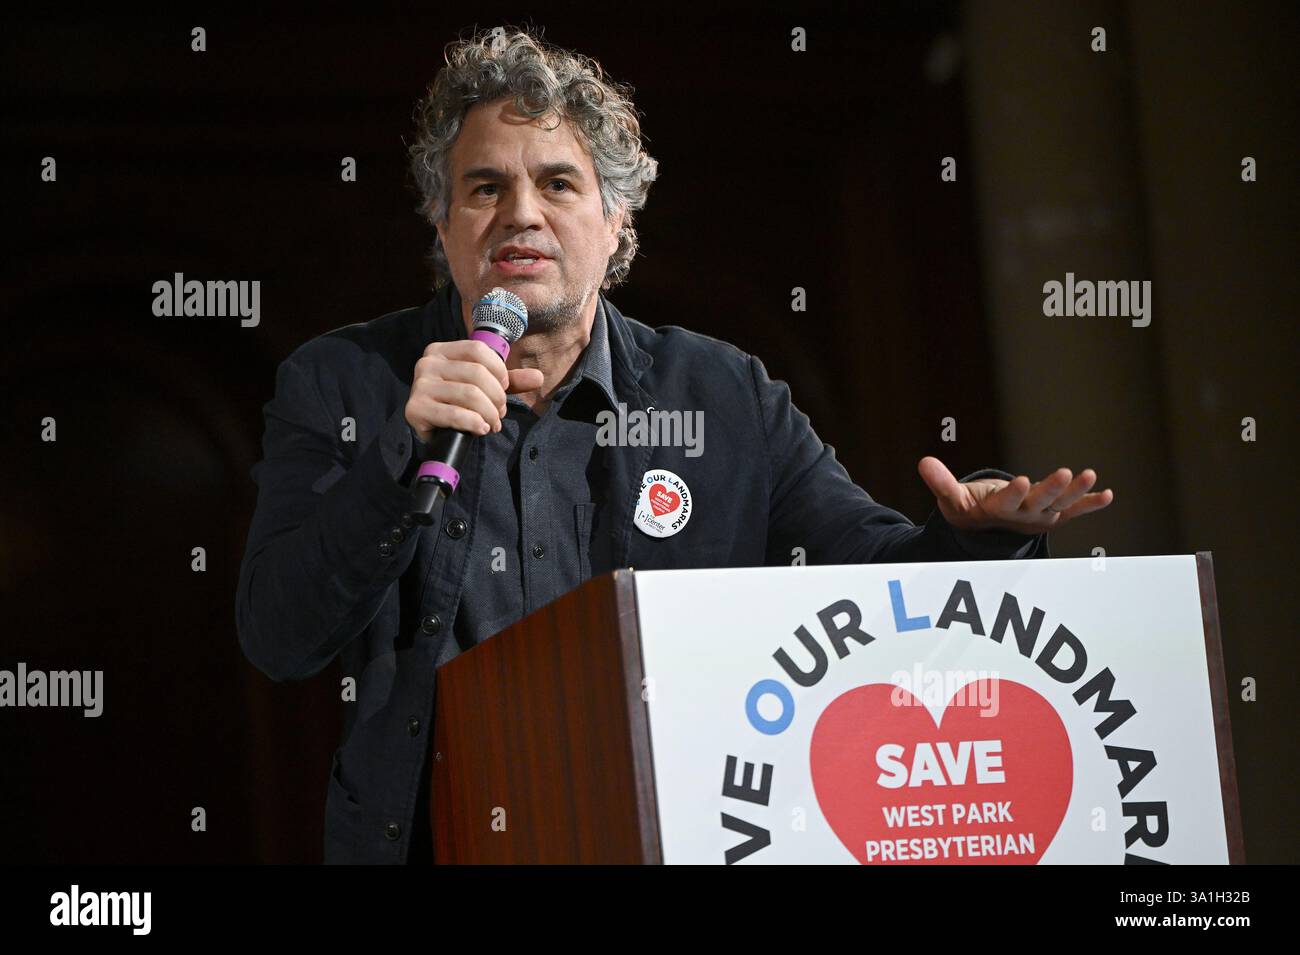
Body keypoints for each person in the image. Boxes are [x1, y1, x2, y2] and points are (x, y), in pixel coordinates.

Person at [235, 27, 1113, 865]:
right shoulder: (346, 383)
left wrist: (976, 534)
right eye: (485, 187)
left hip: (680, 833)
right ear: (443, 222)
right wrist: (404, 450)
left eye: (559, 184)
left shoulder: (724, 397)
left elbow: (868, 577)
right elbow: (278, 633)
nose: (521, 215)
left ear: (615, 222)